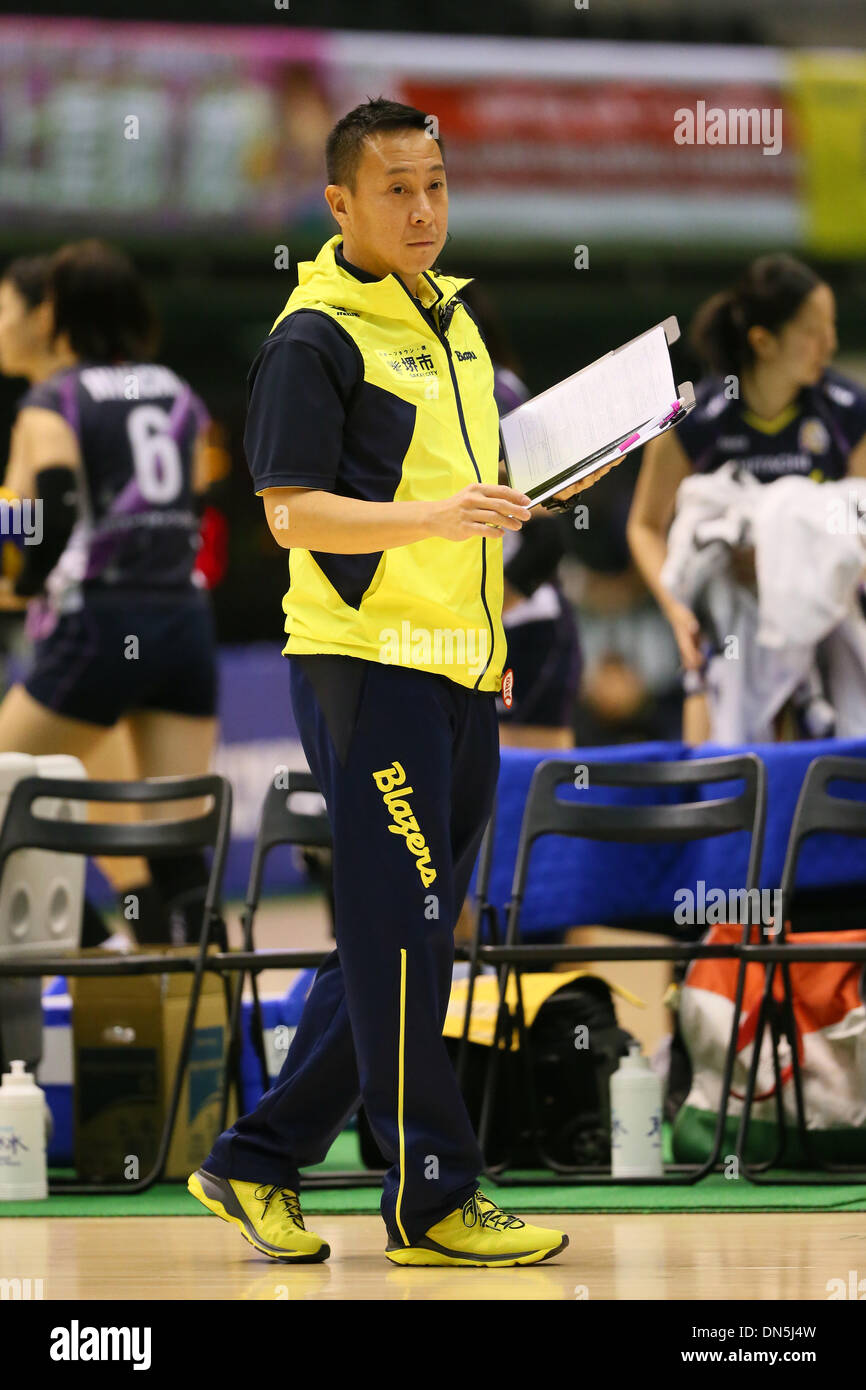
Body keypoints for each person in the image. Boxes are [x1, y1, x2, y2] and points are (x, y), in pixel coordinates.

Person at [189, 98, 618, 1268]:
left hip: (462, 667)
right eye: (395, 188)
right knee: (400, 936)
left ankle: (256, 1157)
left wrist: (535, 503)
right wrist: (440, 516)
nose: (422, 208)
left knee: (405, 934)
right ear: (338, 205)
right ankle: (430, 1194)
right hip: (366, 669)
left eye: (434, 183)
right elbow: (286, 513)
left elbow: (468, 492)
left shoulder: (451, 321)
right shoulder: (312, 336)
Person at [0, 240, 221, 946]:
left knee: (13, 802)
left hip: (99, 625)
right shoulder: (178, 392)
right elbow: (189, 493)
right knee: (175, 839)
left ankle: (92, 952)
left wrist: (31, 581)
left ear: (55, 315)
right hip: (183, 623)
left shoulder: (54, 399)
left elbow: (56, 503)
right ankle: (204, 1022)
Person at [627, 253, 866, 742]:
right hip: (725, 629)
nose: (831, 344)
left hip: (819, 622)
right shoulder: (697, 422)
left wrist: (796, 556)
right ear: (764, 341)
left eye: (833, 327)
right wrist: (678, 612)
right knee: (719, 774)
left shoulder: (847, 413)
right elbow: (645, 526)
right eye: (814, 331)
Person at [458, 282, 580, 748]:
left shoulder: (497, 394)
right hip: (467, 631)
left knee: (522, 787)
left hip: (526, 629)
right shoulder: (418, 394)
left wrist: (494, 606)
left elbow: (548, 536)